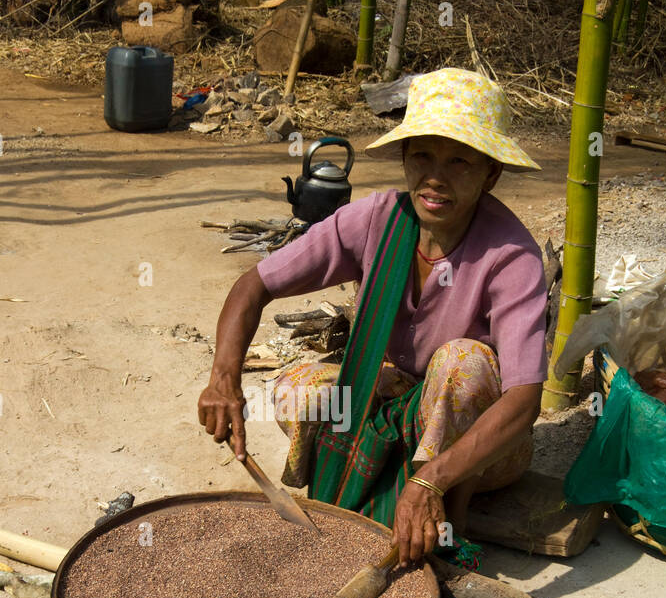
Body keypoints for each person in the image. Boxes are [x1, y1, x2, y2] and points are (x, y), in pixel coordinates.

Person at [198, 68, 548, 566]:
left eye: (459, 162)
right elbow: (254, 285)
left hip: (477, 447)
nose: (436, 177)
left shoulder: (511, 255)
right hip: (397, 396)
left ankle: (449, 515)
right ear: (404, 158)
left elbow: (524, 399)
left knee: (462, 363)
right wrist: (223, 379)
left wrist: (432, 478)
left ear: (490, 173)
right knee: (299, 390)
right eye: (422, 155)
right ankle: (375, 484)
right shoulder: (375, 219)